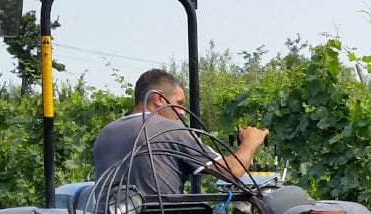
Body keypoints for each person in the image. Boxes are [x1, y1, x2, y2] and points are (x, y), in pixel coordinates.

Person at [92, 68, 269, 198]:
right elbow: (232, 171)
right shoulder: (170, 129)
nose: (183, 112)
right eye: (180, 103)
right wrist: (250, 143)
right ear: (159, 98)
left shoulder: (105, 133)